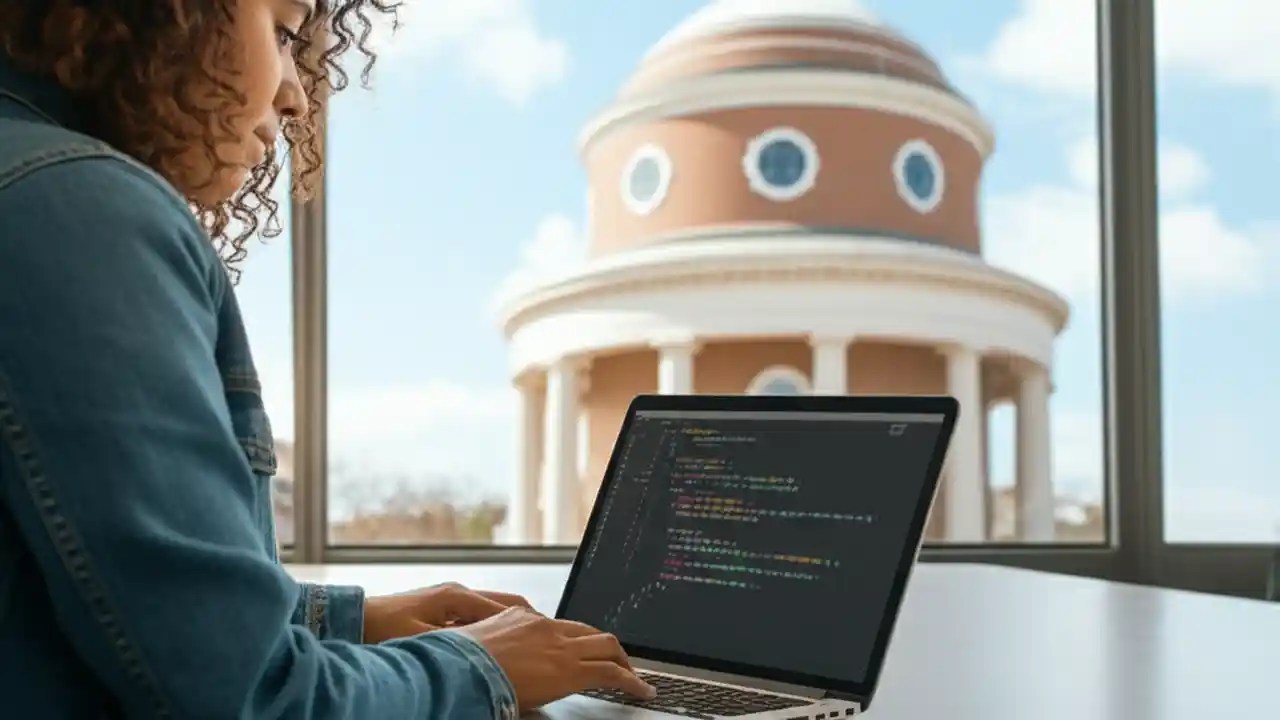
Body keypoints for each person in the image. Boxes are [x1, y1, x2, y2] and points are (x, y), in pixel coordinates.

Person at [0, 0, 657, 717]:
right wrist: (482, 667)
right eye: (283, 32)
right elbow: (253, 700)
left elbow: (77, 592)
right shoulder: (82, 209)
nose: (295, 91)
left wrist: (350, 621)